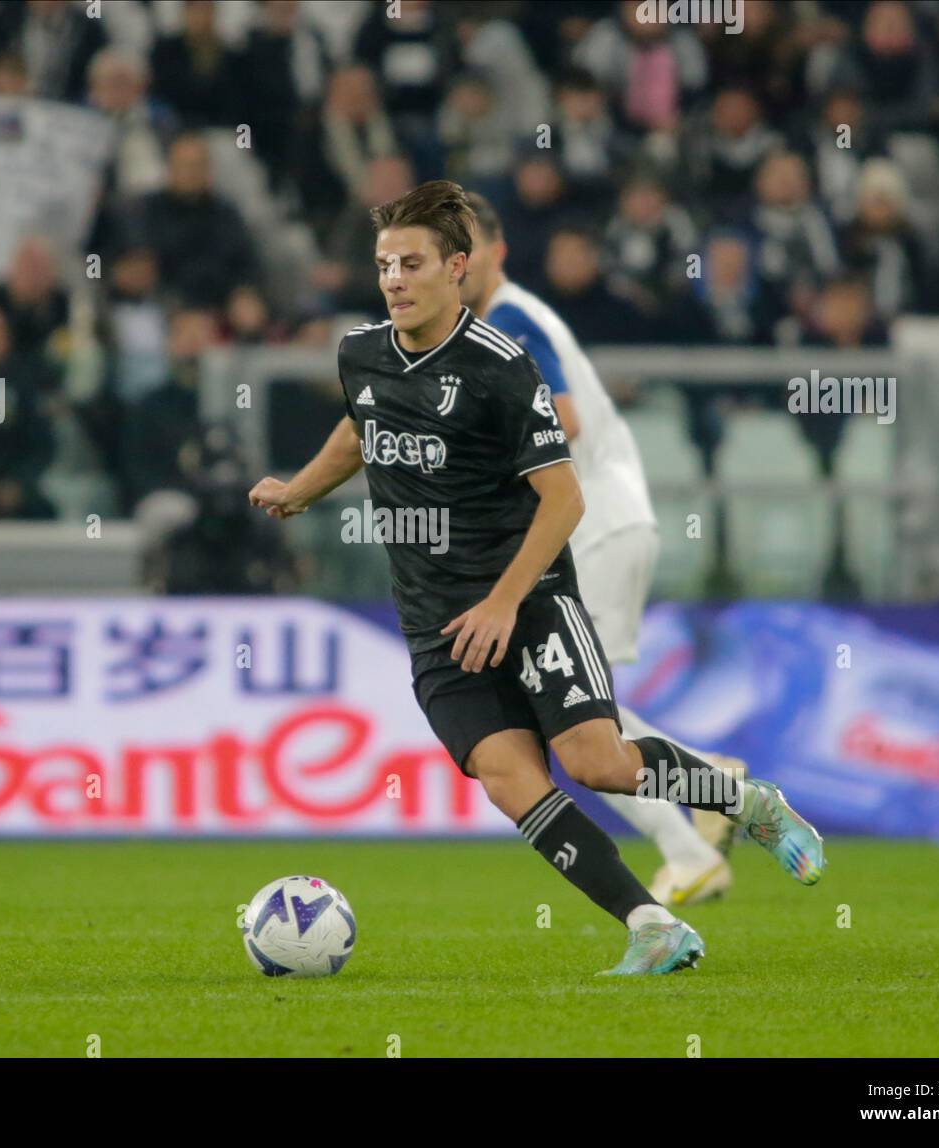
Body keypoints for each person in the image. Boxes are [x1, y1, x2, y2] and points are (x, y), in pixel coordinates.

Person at [249, 181, 825, 976]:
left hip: (527, 599)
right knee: (506, 778)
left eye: (411, 263)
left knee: (596, 760)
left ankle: (749, 805)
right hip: (433, 619)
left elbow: (564, 498)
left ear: (457, 268)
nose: (393, 280)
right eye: (384, 265)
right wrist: (301, 487)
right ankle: (651, 925)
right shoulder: (362, 353)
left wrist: (503, 601)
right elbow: (360, 425)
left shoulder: (500, 365)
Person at [459, 191, 749, 906]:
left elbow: (564, 418)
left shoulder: (513, 319)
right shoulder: (509, 320)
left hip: (598, 525)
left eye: (460, 251)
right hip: (603, 525)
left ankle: (707, 802)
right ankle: (696, 824)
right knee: (577, 714)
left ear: (492, 254)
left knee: (582, 720)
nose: (451, 267)